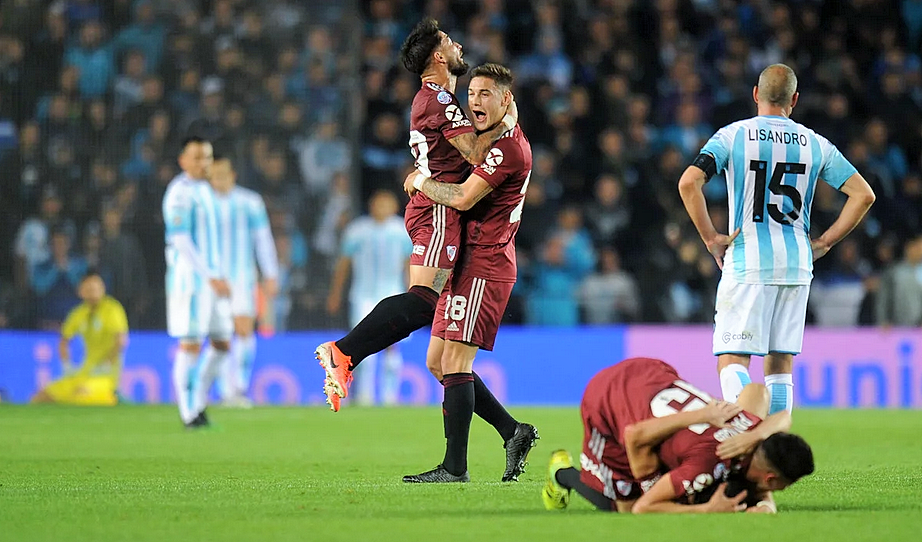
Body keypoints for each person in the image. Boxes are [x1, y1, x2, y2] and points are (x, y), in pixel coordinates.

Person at [315, 18, 516, 410]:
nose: (459, 45)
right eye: (450, 42)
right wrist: (506, 123)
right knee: (424, 300)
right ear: (439, 57)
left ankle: (346, 355)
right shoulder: (438, 98)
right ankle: (344, 352)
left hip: (435, 210)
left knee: (427, 303)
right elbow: (476, 153)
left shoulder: (436, 99)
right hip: (438, 210)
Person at [677, 64, 876, 415]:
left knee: (733, 361)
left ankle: (748, 436)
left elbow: (689, 182)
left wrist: (711, 237)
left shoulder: (732, 136)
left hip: (748, 260)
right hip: (797, 262)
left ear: (756, 93)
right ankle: (776, 449)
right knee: (780, 366)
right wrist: (824, 242)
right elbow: (864, 195)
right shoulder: (816, 144)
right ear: (794, 100)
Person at [401, 63, 538, 483]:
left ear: (505, 99)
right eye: (472, 94)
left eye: (485, 95)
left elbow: (461, 198)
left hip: (486, 263)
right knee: (437, 363)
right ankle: (513, 431)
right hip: (465, 261)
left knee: (456, 361)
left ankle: (454, 467)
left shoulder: (509, 150)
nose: (475, 102)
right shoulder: (495, 137)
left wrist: (421, 181)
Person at [541, 357, 814, 514]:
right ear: (770, 478)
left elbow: (760, 394)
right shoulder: (708, 463)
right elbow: (635, 439)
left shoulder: (751, 429)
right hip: (612, 398)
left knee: (663, 486)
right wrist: (704, 511)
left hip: (654, 373)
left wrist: (755, 434)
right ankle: (561, 472)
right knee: (627, 507)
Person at [161, 136, 232, 428]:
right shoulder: (179, 193)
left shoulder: (206, 191)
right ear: (183, 161)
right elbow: (180, 239)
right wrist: (209, 275)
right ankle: (188, 412)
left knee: (222, 343)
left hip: (212, 280)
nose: (204, 163)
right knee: (190, 345)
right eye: (198, 157)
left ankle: (199, 399)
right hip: (190, 281)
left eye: (207, 157)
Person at [326, 190, 412, 406]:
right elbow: (343, 265)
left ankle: (390, 396)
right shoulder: (357, 230)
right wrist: (335, 293)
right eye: (377, 203)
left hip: (393, 293)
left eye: (386, 203)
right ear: (371, 205)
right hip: (362, 295)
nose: (381, 207)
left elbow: (409, 264)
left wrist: (413, 292)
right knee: (364, 342)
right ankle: (364, 395)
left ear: (393, 206)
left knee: (393, 343)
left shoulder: (401, 230)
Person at [209, 156, 279, 408]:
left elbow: (263, 239)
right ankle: (224, 391)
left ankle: (239, 387)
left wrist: (270, 273)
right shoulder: (203, 203)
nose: (218, 180)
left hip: (242, 277)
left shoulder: (250, 202)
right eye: (213, 175)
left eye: (222, 174)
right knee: (220, 334)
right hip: (212, 280)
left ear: (232, 175)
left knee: (243, 330)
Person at [32, 271, 128, 406]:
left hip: (105, 376)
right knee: (40, 398)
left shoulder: (112, 309)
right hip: (82, 374)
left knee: (80, 396)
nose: (93, 292)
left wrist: (107, 363)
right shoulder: (79, 313)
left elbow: (121, 340)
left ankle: (116, 397)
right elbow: (64, 341)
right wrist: (67, 365)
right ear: (80, 291)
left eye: (96, 288)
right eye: (89, 289)